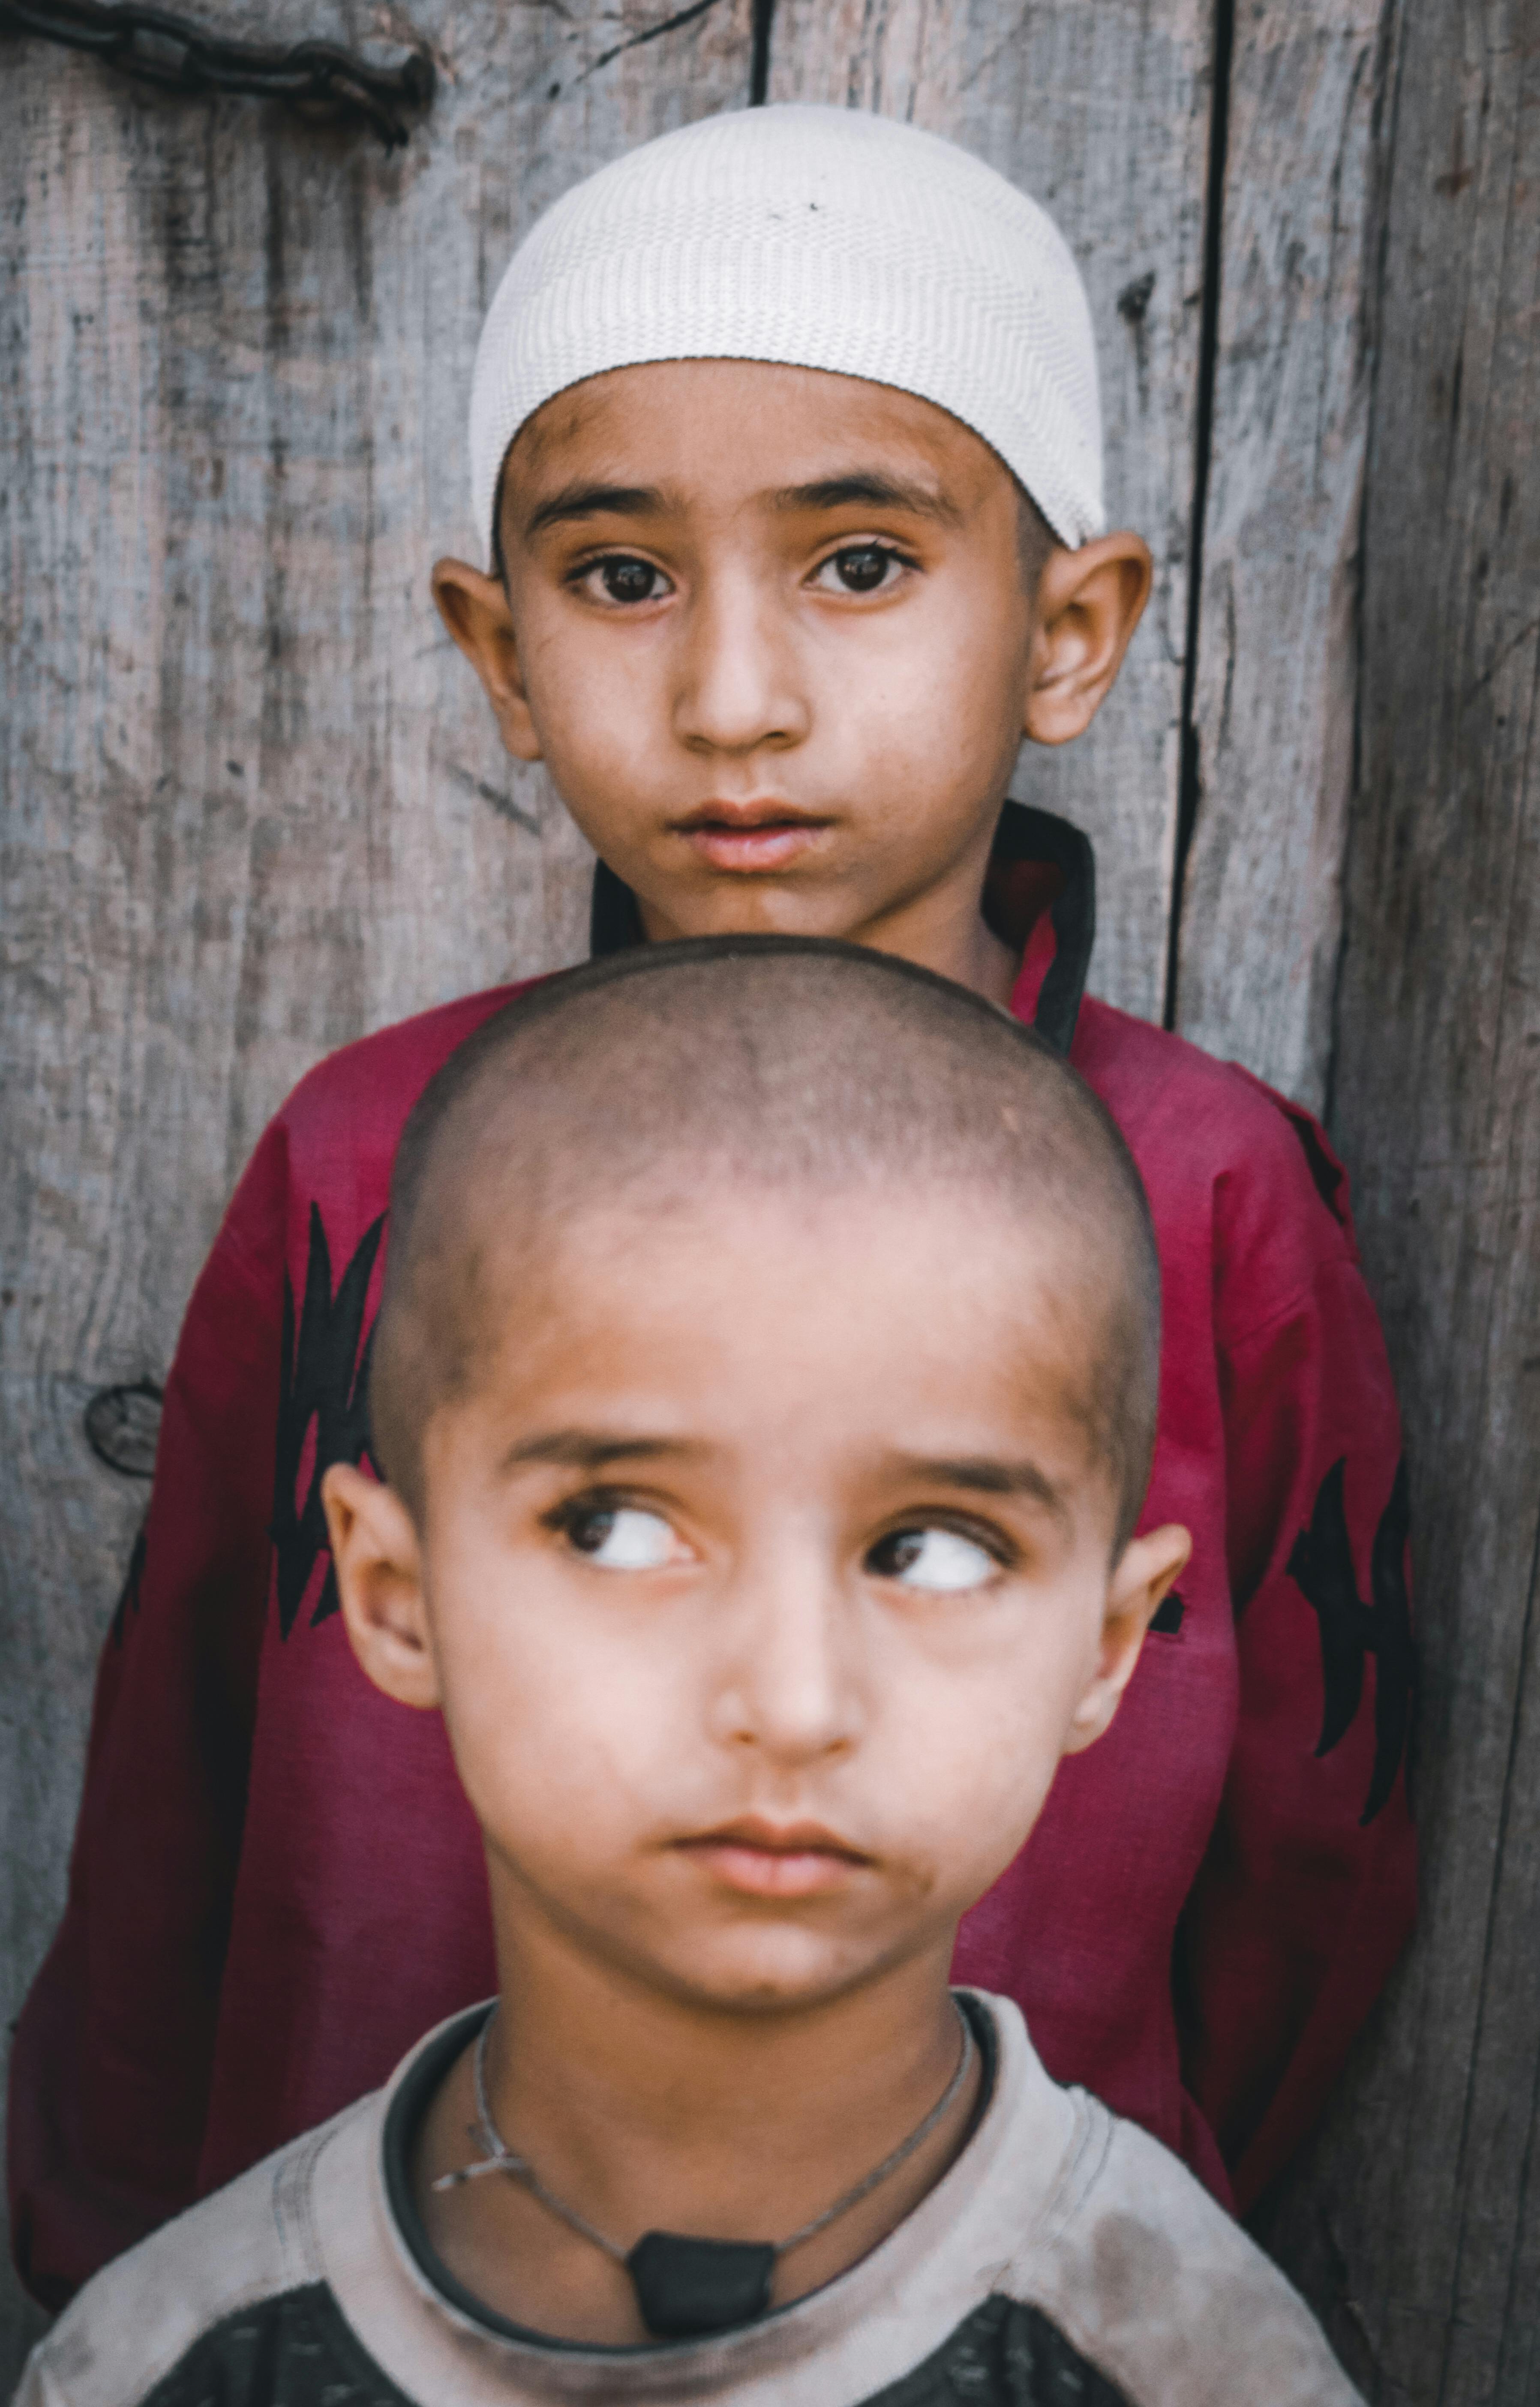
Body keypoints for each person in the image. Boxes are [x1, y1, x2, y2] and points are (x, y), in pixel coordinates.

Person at [8, 105, 1414, 2307]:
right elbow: (178, 1773)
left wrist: (1097, 2221)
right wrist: (137, 2263)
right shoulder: (371, 1165)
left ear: (1070, 630)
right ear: (496, 644)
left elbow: (1311, 1859)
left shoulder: (1206, 1198)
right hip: (352, 2289)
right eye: (620, 576)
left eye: (858, 563)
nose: (732, 698)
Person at [16, 941, 1363, 2407]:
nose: (788, 1705)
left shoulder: (1188, 2358)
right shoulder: (166, 2357)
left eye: (932, 1550)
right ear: (396, 1600)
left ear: (1108, 1649)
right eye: (617, 1527)